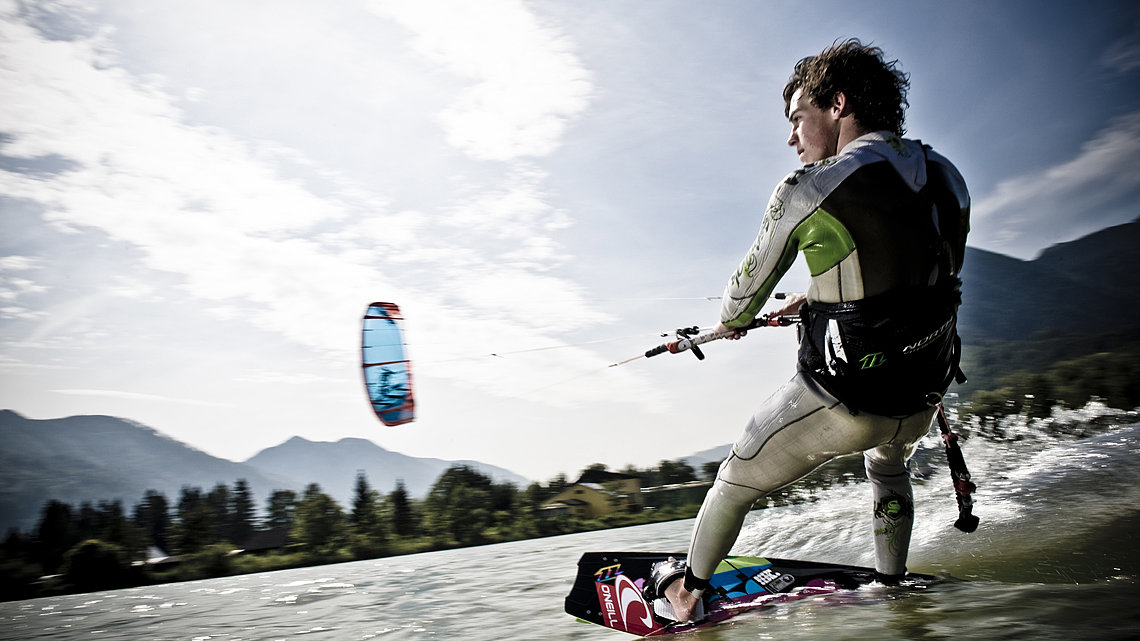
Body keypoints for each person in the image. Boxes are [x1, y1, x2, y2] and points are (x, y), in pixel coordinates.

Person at [657, 39, 970, 623]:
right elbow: (910, 285)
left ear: (838, 105)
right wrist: (816, 297)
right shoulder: (949, 176)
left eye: (798, 117)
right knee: (888, 468)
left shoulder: (809, 186)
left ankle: (686, 595)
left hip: (846, 396)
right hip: (921, 395)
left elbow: (739, 301)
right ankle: (891, 582)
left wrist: (735, 320)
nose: (792, 137)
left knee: (734, 479)